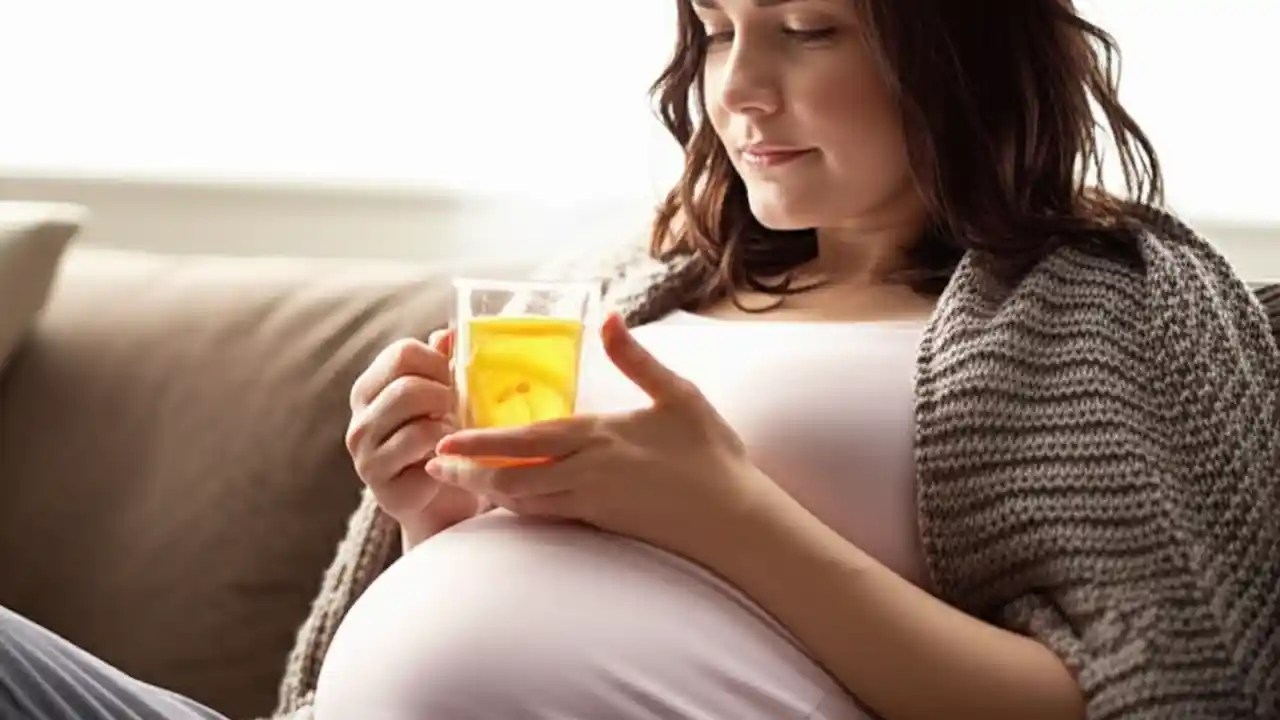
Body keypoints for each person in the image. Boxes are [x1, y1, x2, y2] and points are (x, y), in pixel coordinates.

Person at [1, 1, 1275, 719]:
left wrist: (721, 509)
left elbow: (1139, 699)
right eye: (719, 30)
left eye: (806, 29)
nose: (740, 89)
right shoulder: (657, 283)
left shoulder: (1104, 306)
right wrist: (431, 518)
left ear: (955, 44)